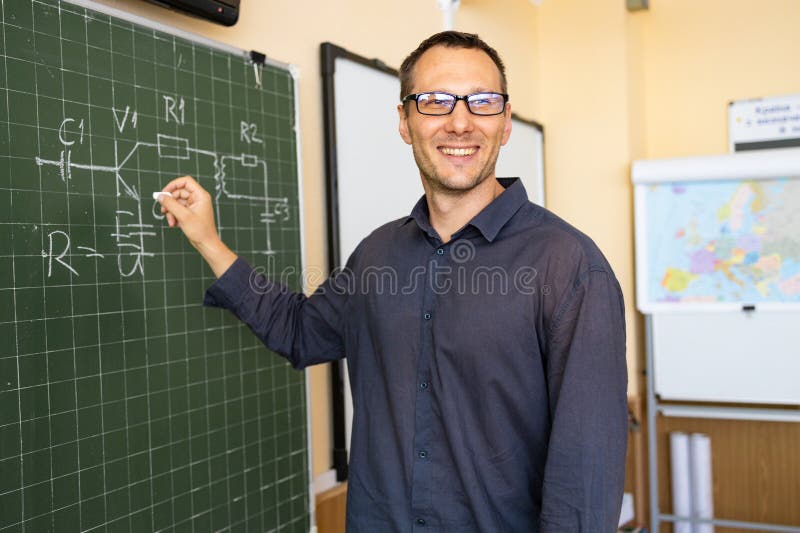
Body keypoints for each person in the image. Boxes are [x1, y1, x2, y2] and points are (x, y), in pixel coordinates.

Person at [158, 31, 627, 533]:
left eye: (483, 102)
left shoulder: (570, 268)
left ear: (506, 123)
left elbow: (584, 481)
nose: (461, 121)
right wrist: (208, 239)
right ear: (404, 122)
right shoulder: (378, 255)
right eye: (435, 101)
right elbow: (297, 330)